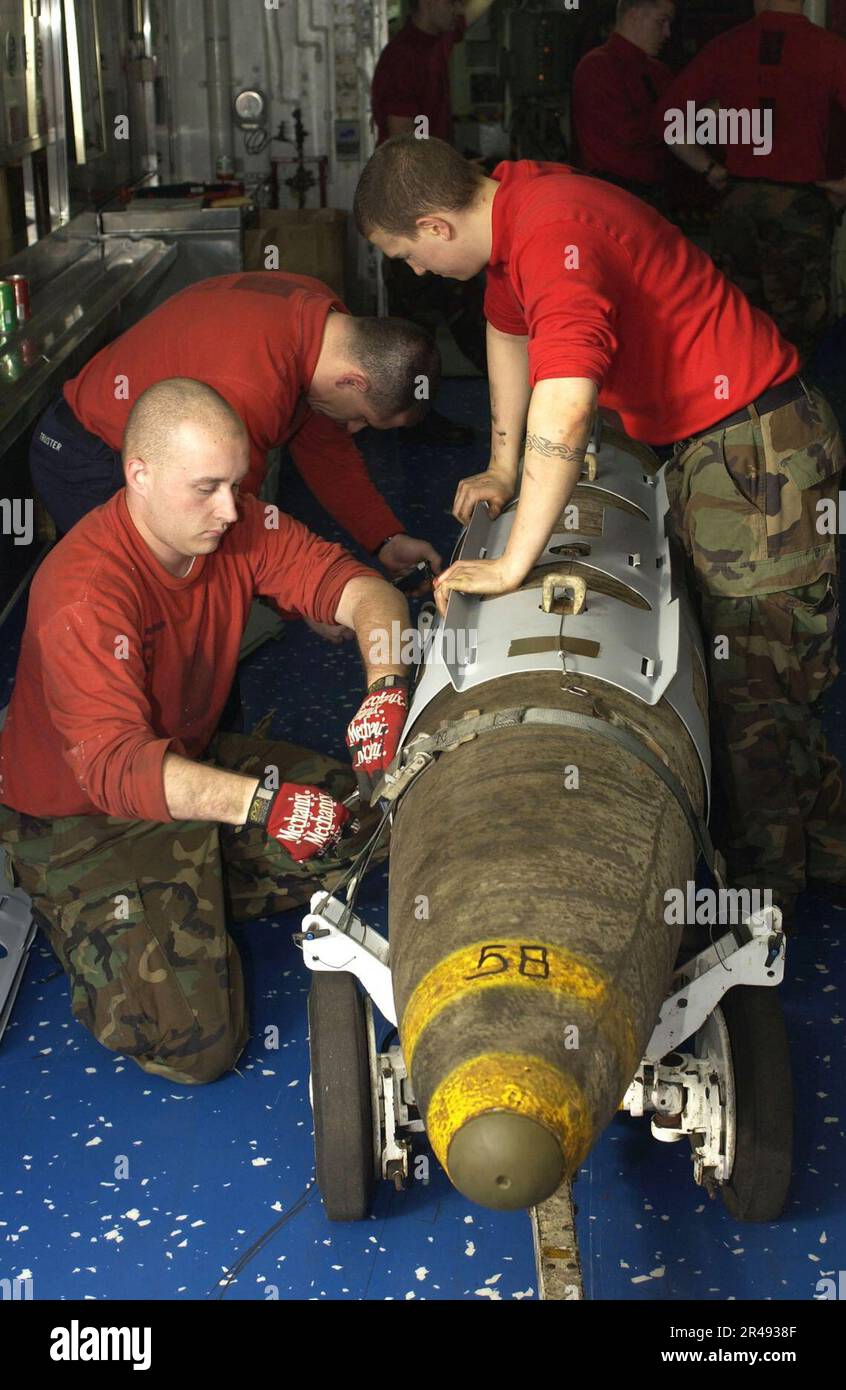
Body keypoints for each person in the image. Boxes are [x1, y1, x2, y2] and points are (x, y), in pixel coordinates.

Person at [353, 134, 846, 922]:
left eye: (407, 254)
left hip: (758, 453)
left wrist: (515, 560)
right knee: (752, 680)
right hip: (716, 451)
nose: (415, 272)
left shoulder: (554, 232)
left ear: (437, 227)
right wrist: (503, 467)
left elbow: (569, 402)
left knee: (760, 689)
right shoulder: (517, 206)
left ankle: (763, 910)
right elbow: (509, 333)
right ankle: (811, 847)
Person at [0, 379, 412, 1084]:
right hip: (83, 812)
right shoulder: (83, 592)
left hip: (182, 760)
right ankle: (88, 901)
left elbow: (363, 590)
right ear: (139, 475)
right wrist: (265, 806)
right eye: (206, 489)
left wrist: (383, 690)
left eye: (237, 483)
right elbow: (115, 771)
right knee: (195, 1047)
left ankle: (194, 879)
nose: (230, 510)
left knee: (369, 824)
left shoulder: (239, 522)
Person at [29, 272, 443, 592]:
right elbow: (230, 522)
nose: (353, 429)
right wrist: (304, 599)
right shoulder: (251, 390)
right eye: (364, 419)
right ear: (353, 381)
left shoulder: (320, 320)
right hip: (90, 456)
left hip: (120, 440)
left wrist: (385, 538)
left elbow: (325, 450)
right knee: (159, 610)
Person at [660, 0, 846, 362]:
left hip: (737, 200)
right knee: (800, 327)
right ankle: (799, 411)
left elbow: (670, 119)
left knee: (738, 323)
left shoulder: (727, 45)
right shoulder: (829, 49)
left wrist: (709, 169)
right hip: (798, 207)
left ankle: (746, 410)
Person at [370, 0, 495, 443]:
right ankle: (410, 423)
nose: (459, 8)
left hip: (436, 203)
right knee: (417, 334)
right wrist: (455, 178)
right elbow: (407, 151)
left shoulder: (438, 39)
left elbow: (474, 12)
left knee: (462, 316)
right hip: (413, 214)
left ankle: (524, 401)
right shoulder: (402, 59)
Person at [572, 0, 677, 213]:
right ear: (634, 16)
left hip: (651, 195)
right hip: (615, 197)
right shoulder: (598, 67)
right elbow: (629, 133)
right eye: (661, 22)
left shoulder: (658, 72)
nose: (667, 33)